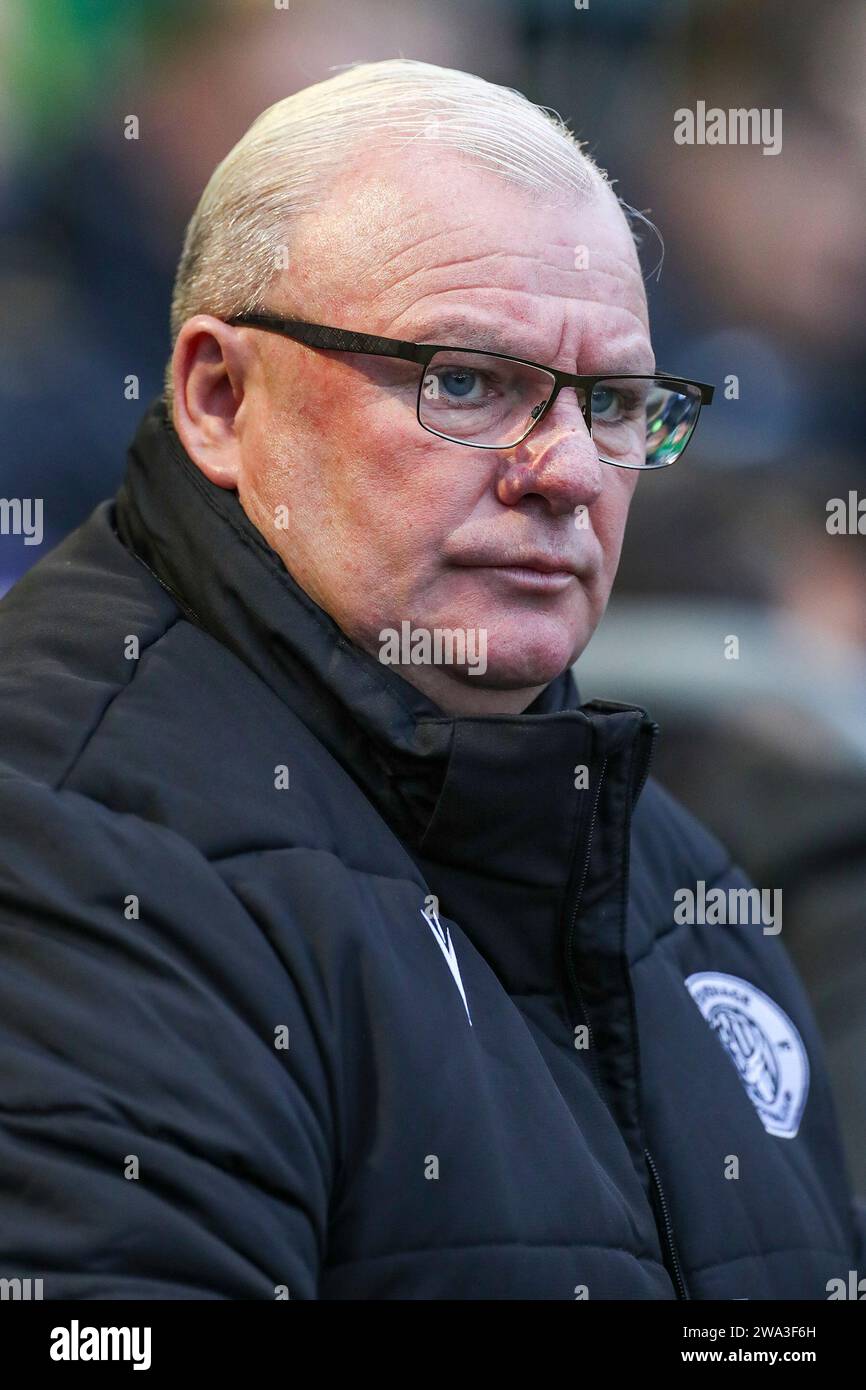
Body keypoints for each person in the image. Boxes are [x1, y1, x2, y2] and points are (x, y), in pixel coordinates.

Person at [0, 58, 861, 1300]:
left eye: (613, 402)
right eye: (465, 381)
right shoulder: (68, 839)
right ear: (218, 396)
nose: (564, 471)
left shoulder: (672, 878)